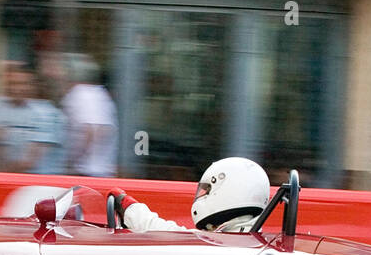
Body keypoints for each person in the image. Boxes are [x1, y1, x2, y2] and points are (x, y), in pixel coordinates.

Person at [107, 157, 272, 233]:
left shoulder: (225, 243)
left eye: (206, 189)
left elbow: (171, 236)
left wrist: (131, 209)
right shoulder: (247, 235)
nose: (201, 195)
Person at [61, 53, 118, 178]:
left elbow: (91, 131)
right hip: (101, 170)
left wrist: (73, 163)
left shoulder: (80, 94)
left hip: (87, 172)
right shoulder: (100, 94)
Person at [0, 66, 55, 173]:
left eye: (22, 84)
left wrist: (2, 174)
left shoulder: (42, 114)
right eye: (13, 84)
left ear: (31, 87)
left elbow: (31, 160)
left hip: (30, 178)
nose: (16, 89)